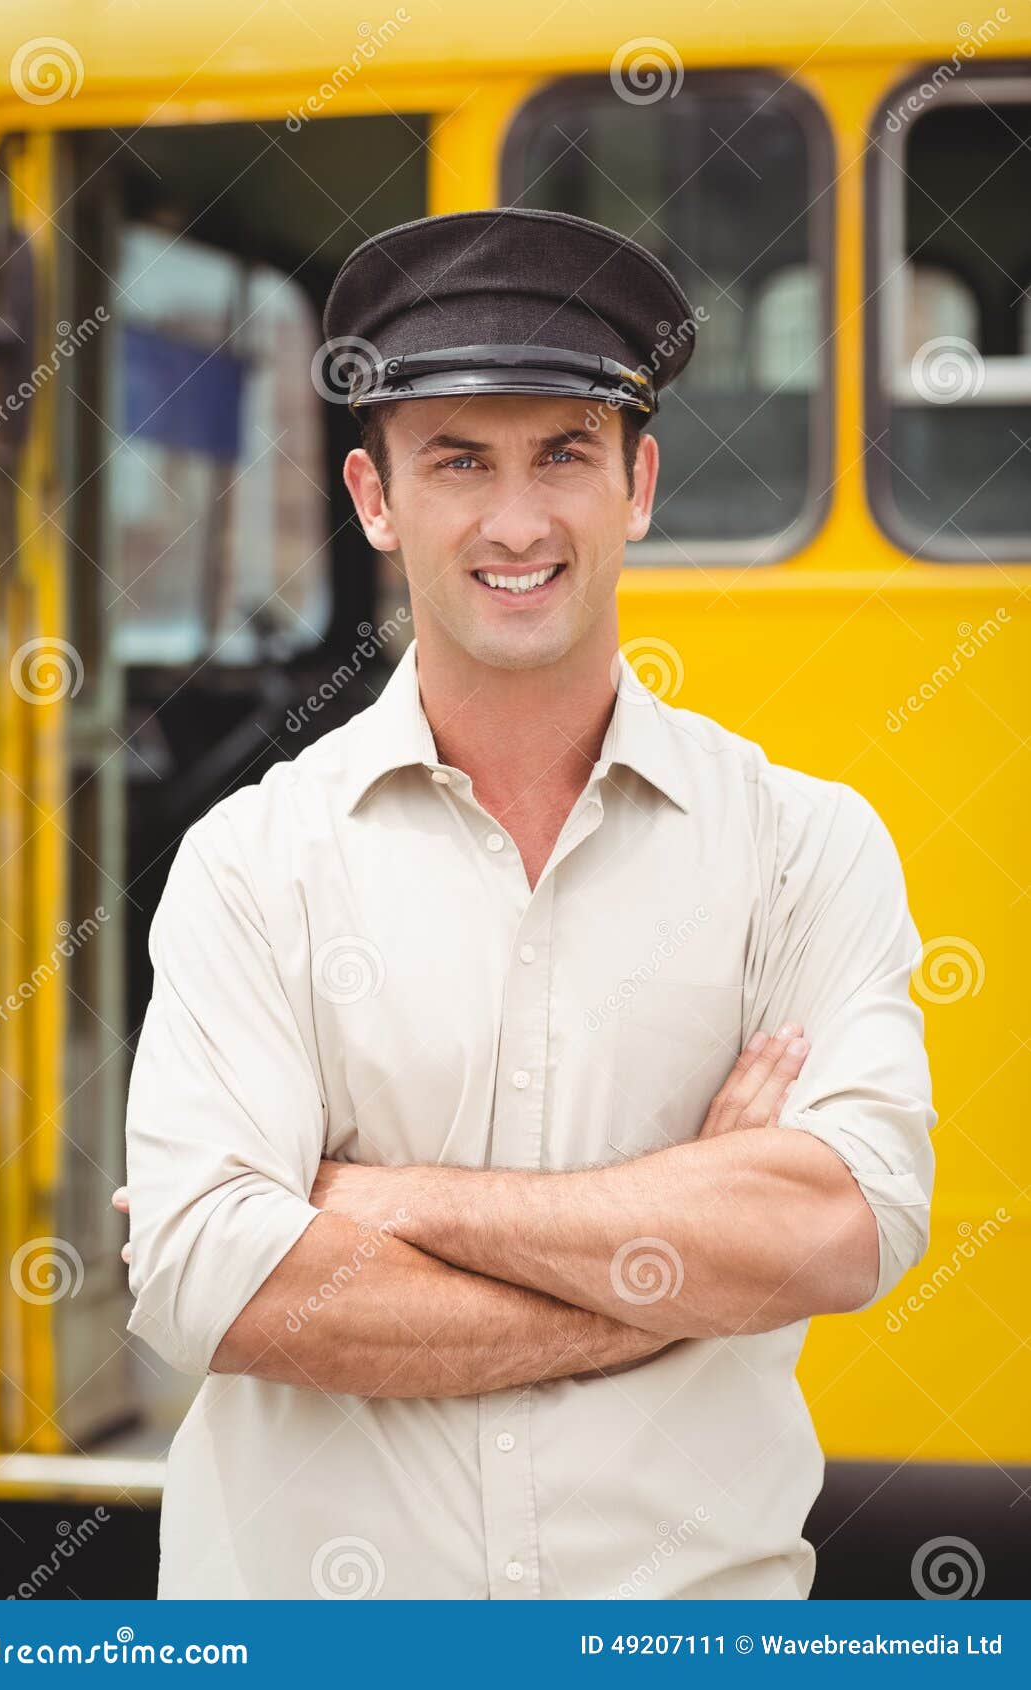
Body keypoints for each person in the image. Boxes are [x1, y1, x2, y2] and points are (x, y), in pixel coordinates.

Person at [118, 208, 936, 1601]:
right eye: (459, 462)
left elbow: (841, 1225)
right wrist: (664, 1278)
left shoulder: (804, 846)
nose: (516, 521)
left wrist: (377, 1203)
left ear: (641, 482)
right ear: (375, 500)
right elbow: (213, 1281)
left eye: (563, 453)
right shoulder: (252, 862)